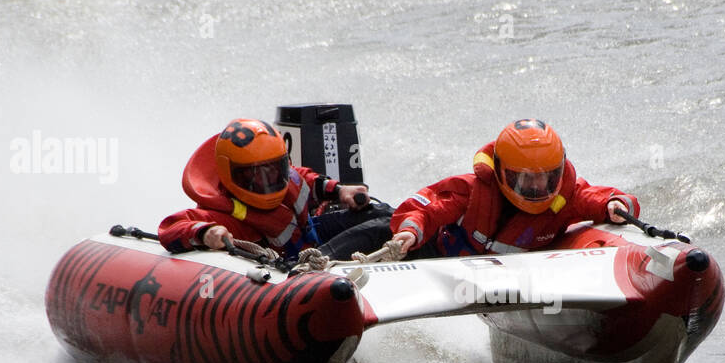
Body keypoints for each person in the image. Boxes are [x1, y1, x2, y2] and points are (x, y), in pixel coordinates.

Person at [388, 118, 639, 259]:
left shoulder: (566, 196)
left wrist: (615, 204)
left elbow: (600, 196)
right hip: (440, 260)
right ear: (502, 172)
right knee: (371, 232)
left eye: (547, 177)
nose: (537, 186)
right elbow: (425, 208)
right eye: (526, 178)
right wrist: (410, 231)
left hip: (509, 280)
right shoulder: (472, 189)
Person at [158, 118, 393, 262]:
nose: (270, 179)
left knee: (386, 217)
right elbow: (171, 226)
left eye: (275, 169)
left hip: (311, 241)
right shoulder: (222, 212)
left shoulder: (287, 177)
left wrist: (339, 191)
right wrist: (205, 233)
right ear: (231, 175)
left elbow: (304, 179)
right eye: (257, 175)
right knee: (380, 229)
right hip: (288, 266)